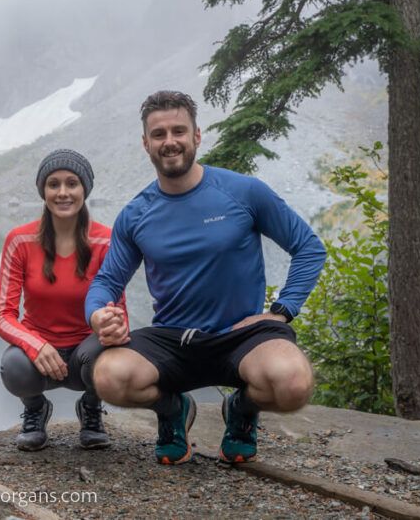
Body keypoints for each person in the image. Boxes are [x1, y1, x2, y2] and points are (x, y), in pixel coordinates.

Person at [85, 90, 326, 465]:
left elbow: (309, 248)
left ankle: (242, 411)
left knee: (293, 384)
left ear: (197, 136)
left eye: (179, 131)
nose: (170, 142)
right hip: (173, 339)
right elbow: (106, 282)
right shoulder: (136, 214)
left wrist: (282, 311)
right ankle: (172, 411)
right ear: (146, 143)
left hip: (243, 336)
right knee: (109, 378)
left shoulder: (244, 191)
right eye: (159, 134)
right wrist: (98, 314)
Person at [0, 149, 122, 451]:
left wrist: (113, 328)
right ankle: (35, 408)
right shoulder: (20, 240)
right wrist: (34, 344)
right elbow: (3, 314)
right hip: (39, 350)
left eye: (72, 183)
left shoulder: (106, 240)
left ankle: (91, 407)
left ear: (84, 189)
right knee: (14, 366)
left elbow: (118, 311)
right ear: (43, 191)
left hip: (85, 352)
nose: (63, 192)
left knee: (109, 356)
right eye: (53, 184)